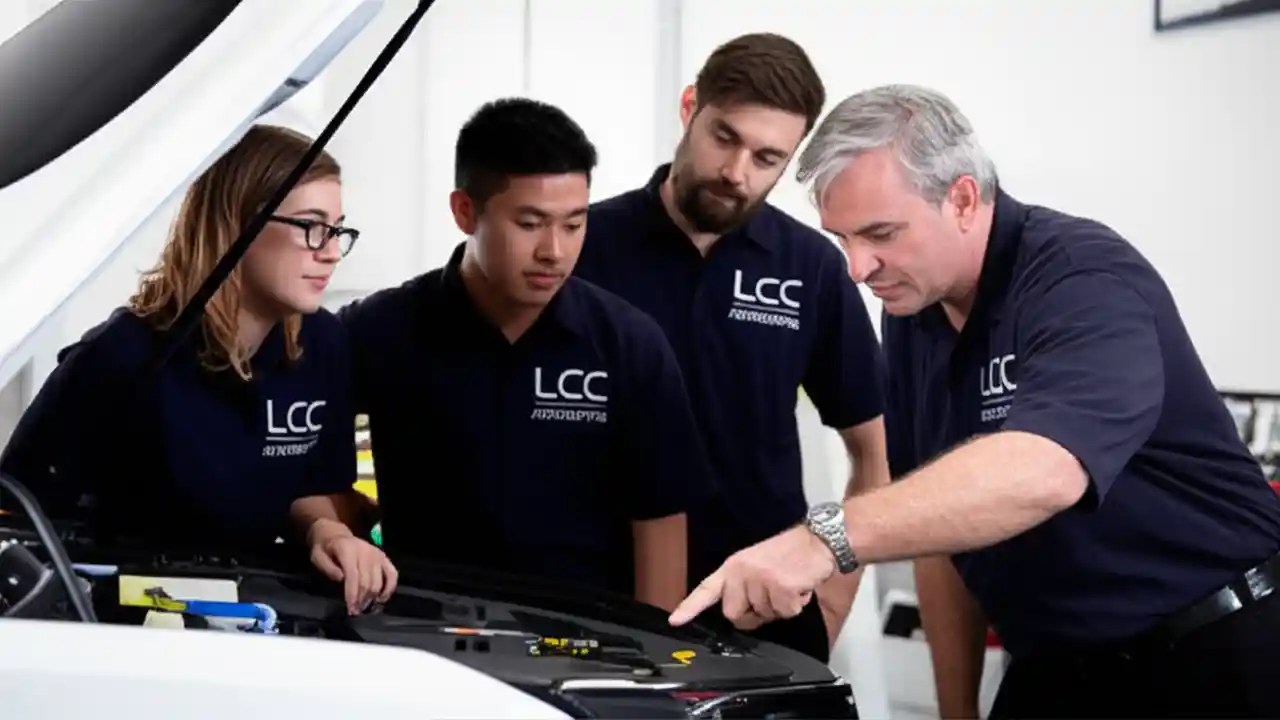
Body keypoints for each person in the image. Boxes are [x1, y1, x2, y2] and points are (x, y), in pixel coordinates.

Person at [668, 84, 1280, 717]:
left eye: (880, 233)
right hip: (1057, 667)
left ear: (962, 198)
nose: (857, 267)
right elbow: (939, 534)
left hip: (1214, 651)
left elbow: (1045, 470)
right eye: (842, 238)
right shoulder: (910, 312)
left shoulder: (1082, 278)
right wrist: (955, 711)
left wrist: (824, 539)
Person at [572, 33, 890, 661]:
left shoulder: (811, 268)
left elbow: (875, 456)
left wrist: (831, 602)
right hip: (592, 605)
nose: (737, 173)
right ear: (690, 107)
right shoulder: (581, 245)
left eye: (767, 157)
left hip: (761, 613)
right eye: (725, 138)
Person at [0, 124, 396, 615]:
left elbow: (312, 486)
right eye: (311, 225)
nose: (331, 250)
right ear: (237, 225)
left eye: (337, 229)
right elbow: (17, 510)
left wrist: (329, 531)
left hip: (251, 607)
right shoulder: (122, 356)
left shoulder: (324, 345)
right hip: (119, 615)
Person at [337, 98, 710, 611]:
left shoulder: (630, 345)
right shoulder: (379, 330)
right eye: (530, 223)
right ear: (465, 211)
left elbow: (661, 520)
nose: (554, 251)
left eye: (574, 224)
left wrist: (659, 667)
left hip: (587, 643)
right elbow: (309, 469)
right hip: (421, 639)